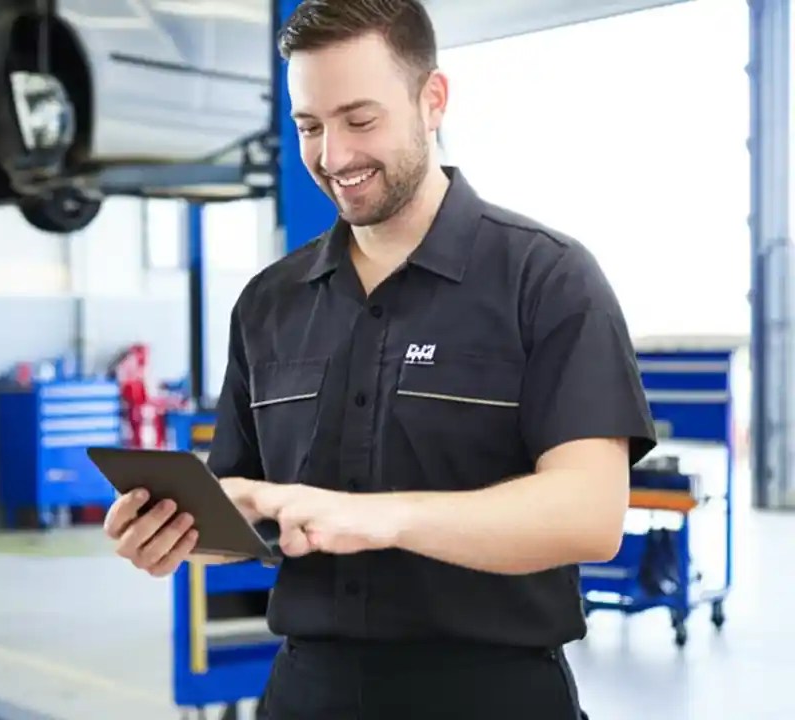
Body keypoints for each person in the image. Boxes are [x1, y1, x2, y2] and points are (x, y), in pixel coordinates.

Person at [103, 0, 657, 718]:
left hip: (492, 696)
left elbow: (589, 514)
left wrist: (378, 519)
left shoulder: (547, 280)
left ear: (433, 100)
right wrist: (176, 532)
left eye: (360, 120)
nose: (333, 157)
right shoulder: (269, 304)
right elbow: (249, 517)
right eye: (309, 127)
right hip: (307, 693)